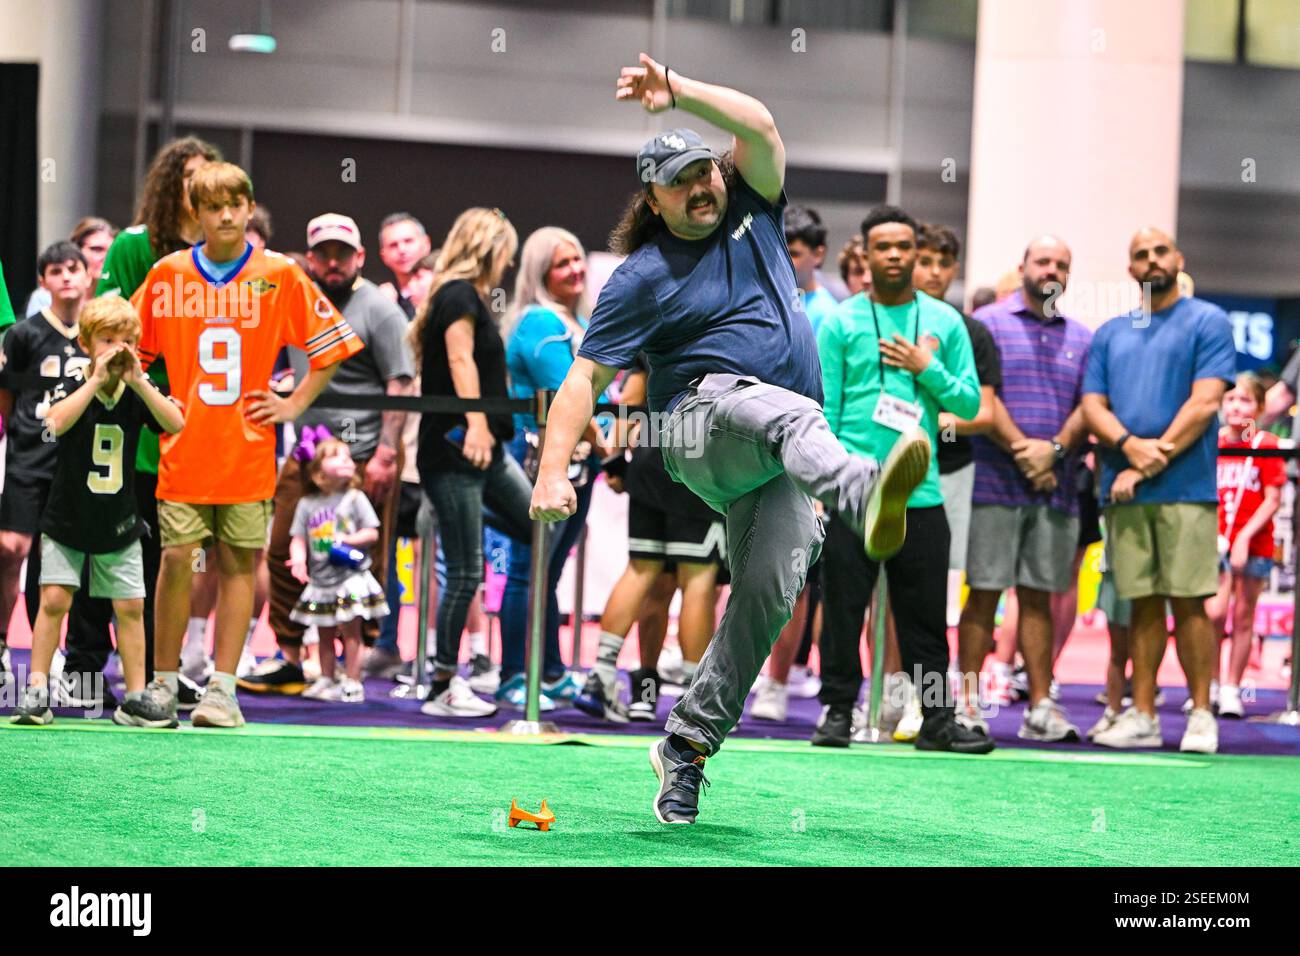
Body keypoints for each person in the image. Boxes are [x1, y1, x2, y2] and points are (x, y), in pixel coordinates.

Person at [529, 56, 936, 825]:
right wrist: (554, 473)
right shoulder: (641, 278)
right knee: (769, 407)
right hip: (697, 426)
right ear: (653, 199)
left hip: (780, 449)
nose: (701, 187)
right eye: (680, 182)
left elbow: (759, 124)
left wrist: (677, 90)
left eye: (704, 172)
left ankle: (685, 745)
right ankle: (863, 491)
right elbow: (583, 378)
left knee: (764, 595)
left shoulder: (755, 212)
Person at [132, 162, 364, 728]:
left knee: (240, 563)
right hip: (185, 449)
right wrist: (155, 399)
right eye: (214, 206)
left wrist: (293, 405)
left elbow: (330, 347)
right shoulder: (167, 275)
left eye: (237, 202)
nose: (228, 214)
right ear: (196, 214)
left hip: (249, 448)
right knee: (176, 561)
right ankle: (163, 684)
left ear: (249, 205)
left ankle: (223, 689)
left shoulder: (279, 274)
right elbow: (129, 349)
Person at [813, 205, 988, 753]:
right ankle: (837, 713)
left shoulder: (945, 321)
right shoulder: (840, 322)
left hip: (923, 491)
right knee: (841, 607)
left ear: (917, 253)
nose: (894, 255)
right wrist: (828, 487)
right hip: (854, 490)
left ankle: (937, 721)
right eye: (882, 246)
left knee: (927, 617)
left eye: (903, 246)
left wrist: (924, 367)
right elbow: (826, 410)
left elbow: (969, 401)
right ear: (864, 255)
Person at [237, 213, 412, 696]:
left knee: (358, 561)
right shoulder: (296, 301)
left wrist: (385, 453)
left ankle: (352, 671)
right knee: (282, 553)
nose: (333, 262)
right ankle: (294, 658)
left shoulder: (379, 308)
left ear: (359, 257)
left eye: (342, 253)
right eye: (323, 253)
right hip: (306, 454)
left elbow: (400, 382)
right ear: (310, 259)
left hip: (359, 458)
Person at [1081, 227, 1236, 753]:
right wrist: (1127, 445)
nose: (1151, 260)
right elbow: (1093, 407)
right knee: (1140, 605)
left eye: (1160, 251)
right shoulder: (1110, 333)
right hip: (1123, 491)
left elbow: (1205, 401)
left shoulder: (1207, 321)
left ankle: (1201, 714)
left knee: (1190, 602)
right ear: (1131, 269)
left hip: (1185, 489)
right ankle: (1142, 714)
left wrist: (1146, 461)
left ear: (1178, 259)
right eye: (1140, 254)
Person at [9, 296, 184, 726]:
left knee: (129, 606)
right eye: (107, 339)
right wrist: (93, 381)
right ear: (87, 343)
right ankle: (35, 690)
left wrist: (141, 381)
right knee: (53, 600)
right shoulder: (72, 383)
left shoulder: (136, 390)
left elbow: (176, 423)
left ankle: (138, 696)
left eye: (126, 340)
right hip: (67, 516)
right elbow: (53, 423)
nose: (117, 348)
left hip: (118, 520)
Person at [95, 136, 222, 708]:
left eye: (210, 181)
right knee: (121, 548)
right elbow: (105, 323)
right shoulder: (133, 247)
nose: (200, 192)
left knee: (179, 552)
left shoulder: (221, 260)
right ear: (171, 185)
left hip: (194, 422)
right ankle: (91, 669)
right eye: (190, 180)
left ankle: (157, 678)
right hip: (132, 423)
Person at [957, 235, 1091, 743]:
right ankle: (967, 704)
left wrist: (1052, 451)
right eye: (1043, 260)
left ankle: (1040, 707)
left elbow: (1089, 405)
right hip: (992, 484)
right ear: (1023, 267)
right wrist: (1025, 452)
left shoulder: (1082, 336)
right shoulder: (988, 324)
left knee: (1039, 599)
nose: (1051, 268)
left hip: (1053, 489)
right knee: (983, 594)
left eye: (1062, 261)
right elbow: (977, 400)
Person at [411, 207, 528, 720]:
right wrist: (478, 423)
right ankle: (441, 683)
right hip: (458, 447)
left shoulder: (468, 295)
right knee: (463, 572)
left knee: (539, 521)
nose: (508, 262)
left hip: (486, 449)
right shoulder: (458, 293)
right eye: (506, 251)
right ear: (489, 247)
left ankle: (511, 666)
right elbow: (460, 359)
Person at [576, 358, 726, 722]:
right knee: (698, 579)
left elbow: (631, 397)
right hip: (698, 467)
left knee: (643, 572)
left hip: (649, 463)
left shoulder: (660, 321)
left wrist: (614, 462)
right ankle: (695, 699)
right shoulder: (728, 327)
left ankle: (606, 677)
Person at [498, 226, 608, 708]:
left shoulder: (572, 319)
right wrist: (606, 442)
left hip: (577, 463)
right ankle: (513, 674)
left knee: (547, 570)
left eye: (577, 259)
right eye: (561, 263)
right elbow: (568, 394)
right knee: (528, 568)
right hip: (540, 461)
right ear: (540, 271)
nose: (574, 270)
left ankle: (550, 671)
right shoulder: (541, 322)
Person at [0, 243, 93, 692]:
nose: (66, 278)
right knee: (11, 549)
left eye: (73, 269)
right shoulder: (23, 335)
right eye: (56, 271)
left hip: (73, 467)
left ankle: (49, 656)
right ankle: (2, 645)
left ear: (88, 275)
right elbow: (7, 397)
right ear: (44, 282)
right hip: (26, 460)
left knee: (53, 563)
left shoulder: (98, 334)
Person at [914, 223, 1000, 622]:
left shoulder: (973, 332)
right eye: (925, 261)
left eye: (943, 263)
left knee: (940, 577)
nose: (934, 272)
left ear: (955, 269)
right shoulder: (887, 321)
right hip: (885, 464)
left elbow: (984, 415)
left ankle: (925, 676)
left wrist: (932, 422)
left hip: (951, 470)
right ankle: (887, 678)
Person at [1206, 373, 1283, 719]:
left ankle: (1232, 688)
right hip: (1214, 544)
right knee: (1212, 616)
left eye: (1245, 400)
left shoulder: (1264, 444)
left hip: (1254, 545)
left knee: (1242, 617)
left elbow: (1272, 499)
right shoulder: (1213, 441)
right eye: (1231, 399)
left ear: (1260, 407)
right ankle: (1205, 685)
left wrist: (1243, 538)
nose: (1237, 406)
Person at [289, 439, 390, 703]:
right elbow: (298, 537)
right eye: (336, 456)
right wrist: (298, 560)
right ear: (317, 470)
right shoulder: (307, 503)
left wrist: (348, 540)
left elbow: (372, 532)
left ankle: (353, 680)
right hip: (321, 580)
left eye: (347, 455)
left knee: (351, 632)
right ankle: (327, 677)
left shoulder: (355, 498)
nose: (346, 459)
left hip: (349, 578)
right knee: (323, 631)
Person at [24, 218, 118, 318]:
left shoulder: (118, 296)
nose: (106, 257)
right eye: (97, 249)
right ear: (76, 250)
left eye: (112, 251)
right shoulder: (45, 297)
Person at [785, 206, 838, 336]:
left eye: (794, 254)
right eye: (781, 253)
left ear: (818, 255)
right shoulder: (770, 301)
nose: (784, 261)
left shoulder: (827, 313)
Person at [378, 213, 434, 318]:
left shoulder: (449, 289)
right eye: (393, 245)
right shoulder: (384, 299)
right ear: (383, 256)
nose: (402, 250)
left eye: (408, 241)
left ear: (426, 243)